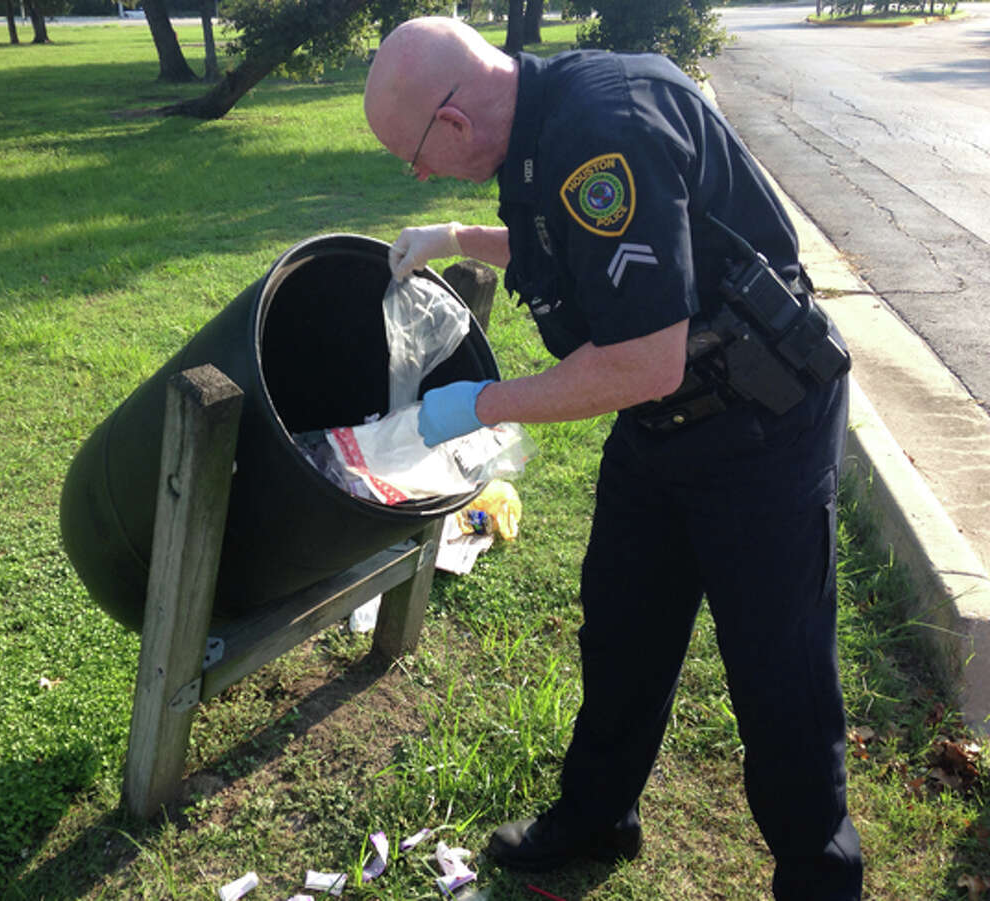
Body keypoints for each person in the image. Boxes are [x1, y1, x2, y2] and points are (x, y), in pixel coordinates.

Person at [363, 17, 862, 901]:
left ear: (453, 122)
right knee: (623, 627)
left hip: (760, 428)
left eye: (416, 159)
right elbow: (571, 244)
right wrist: (458, 236)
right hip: (664, 423)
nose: (423, 173)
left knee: (778, 669)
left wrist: (475, 405)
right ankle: (598, 815)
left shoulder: (604, 135)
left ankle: (818, 877)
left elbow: (642, 359)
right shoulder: (538, 124)